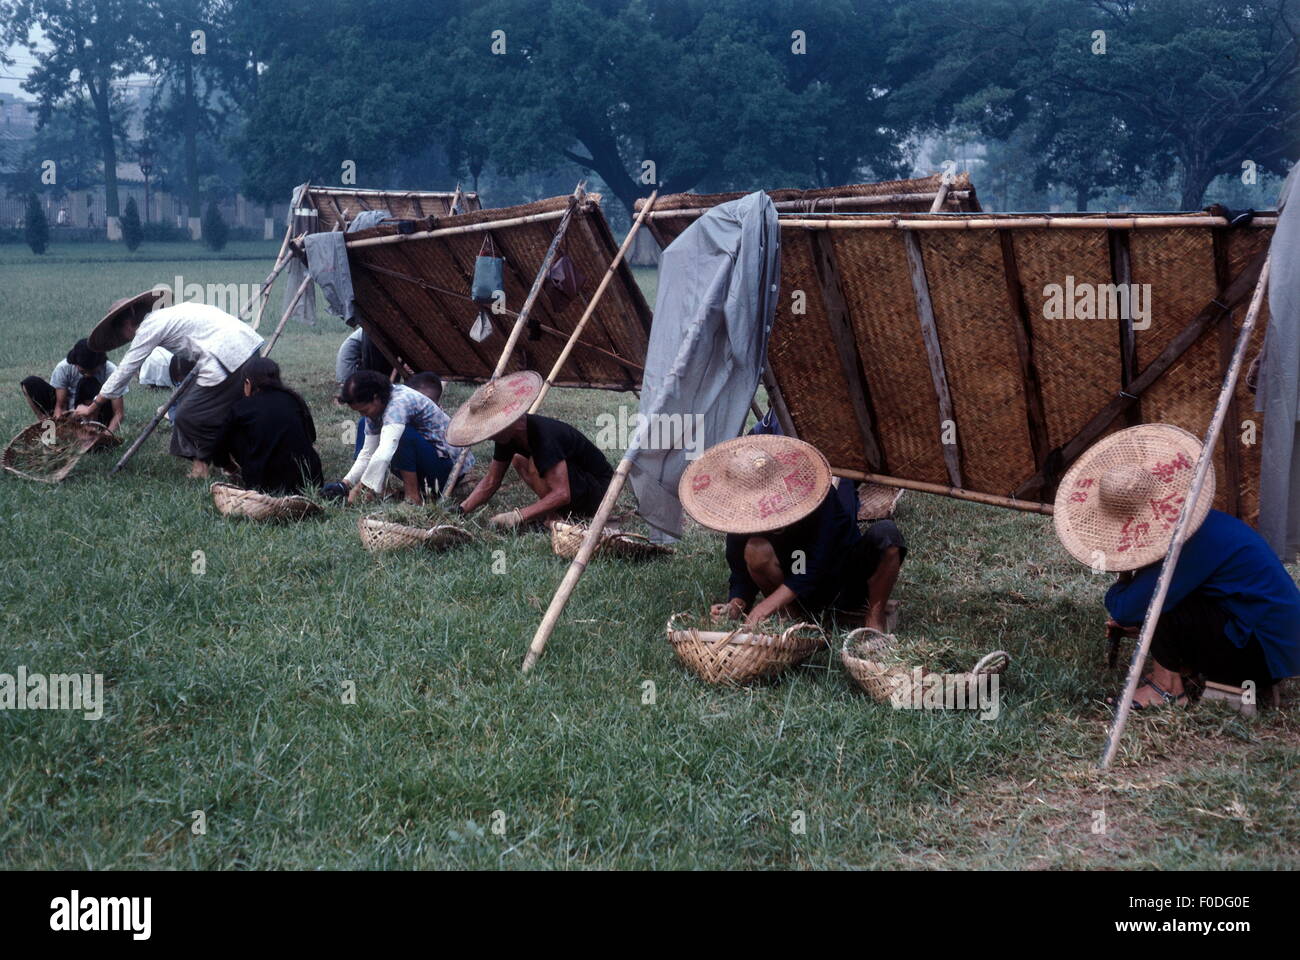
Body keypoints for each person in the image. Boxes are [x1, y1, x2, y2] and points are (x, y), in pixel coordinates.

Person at [1054, 423, 1300, 710]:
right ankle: (1184, 671)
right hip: (1268, 640)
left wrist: (1121, 591)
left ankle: (1166, 689)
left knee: (1159, 602)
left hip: (1263, 654)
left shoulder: (1188, 544)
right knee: (1167, 597)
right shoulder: (1202, 526)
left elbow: (1127, 608)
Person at [679, 435, 906, 632]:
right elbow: (741, 573)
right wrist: (734, 606)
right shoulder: (741, 516)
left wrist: (764, 607)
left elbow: (817, 563)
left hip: (842, 579)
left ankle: (873, 620)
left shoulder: (817, 497)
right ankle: (793, 615)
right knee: (756, 549)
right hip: (797, 589)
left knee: (887, 534)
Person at [78, 291, 264, 479]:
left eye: (120, 332)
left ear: (126, 323)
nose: (125, 338)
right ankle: (227, 466)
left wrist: (94, 405)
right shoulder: (166, 316)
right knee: (206, 411)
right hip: (243, 347)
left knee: (187, 415)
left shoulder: (150, 327)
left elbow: (125, 370)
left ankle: (208, 468)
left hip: (231, 355)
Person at [448, 371, 615, 529]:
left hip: (599, 494)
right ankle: (554, 514)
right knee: (519, 459)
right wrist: (461, 510)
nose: (490, 437)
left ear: (509, 422)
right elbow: (492, 480)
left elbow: (563, 493)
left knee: (536, 463)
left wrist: (518, 516)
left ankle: (553, 517)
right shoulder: (507, 437)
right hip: (575, 485)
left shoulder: (545, 436)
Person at [330, 370, 466, 504]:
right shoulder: (378, 406)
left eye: (364, 410)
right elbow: (367, 454)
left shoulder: (398, 404)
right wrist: (344, 484)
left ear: (376, 397)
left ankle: (412, 498)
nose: (362, 414)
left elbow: (384, 453)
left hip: (447, 470)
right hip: (426, 461)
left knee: (401, 436)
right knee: (362, 424)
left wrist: (360, 488)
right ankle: (382, 490)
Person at [210, 358, 323, 495]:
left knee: (235, 432)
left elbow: (217, 450)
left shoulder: (241, 408)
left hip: (263, 486)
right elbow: (311, 436)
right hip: (309, 482)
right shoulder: (294, 400)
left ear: (248, 383)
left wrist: (231, 467)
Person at [20, 339, 125, 433]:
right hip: (70, 414)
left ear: (100, 364)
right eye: (83, 371)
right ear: (75, 364)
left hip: (98, 413)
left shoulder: (112, 372)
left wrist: (107, 435)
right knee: (30, 383)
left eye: (92, 371)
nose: (88, 374)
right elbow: (59, 405)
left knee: (89, 383)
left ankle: (91, 429)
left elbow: (119, 413)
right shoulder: (63, 368)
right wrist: (60, 424)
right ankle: (46, 426)